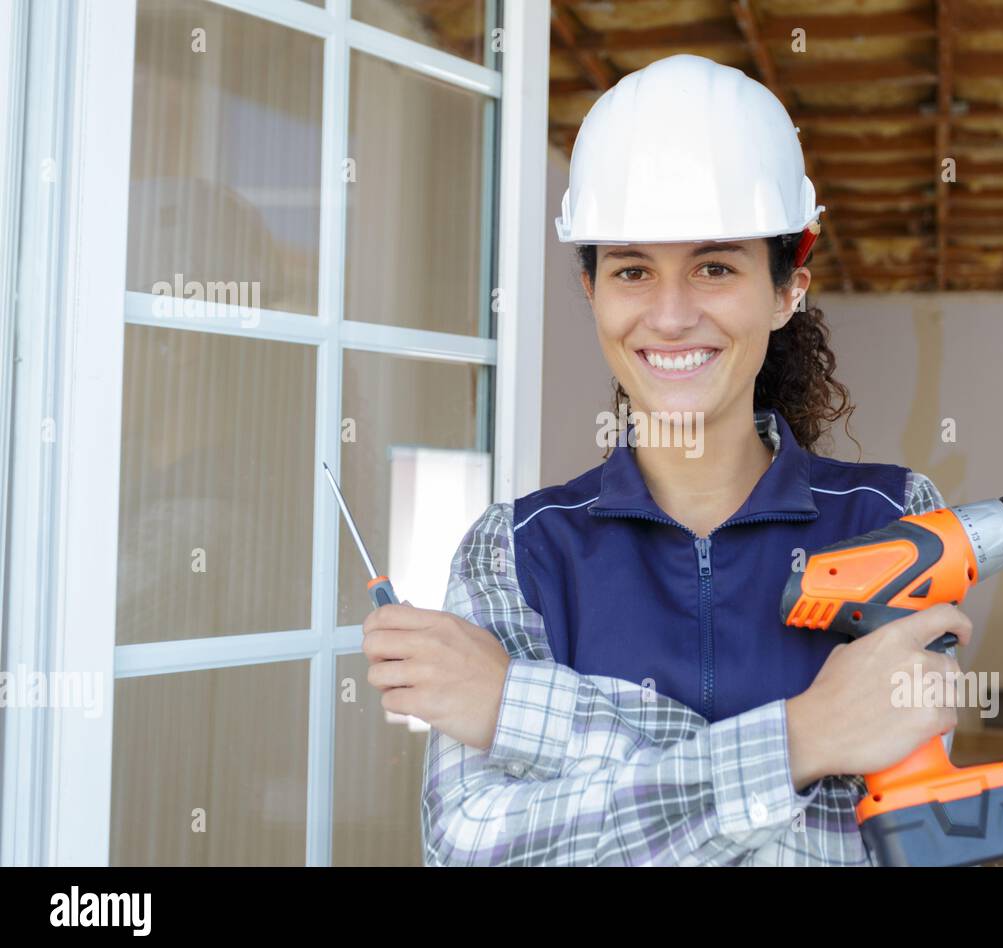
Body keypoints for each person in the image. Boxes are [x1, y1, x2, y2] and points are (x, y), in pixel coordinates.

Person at [361, 53, 970, 866]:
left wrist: (518, 707)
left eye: (715, 267)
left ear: (788, 287)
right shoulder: (515, 549)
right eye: (633, 269)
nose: (672, 314)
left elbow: (886, 847)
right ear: (592, 290)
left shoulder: (894, 522)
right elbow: (477, 846)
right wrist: (806, 740)